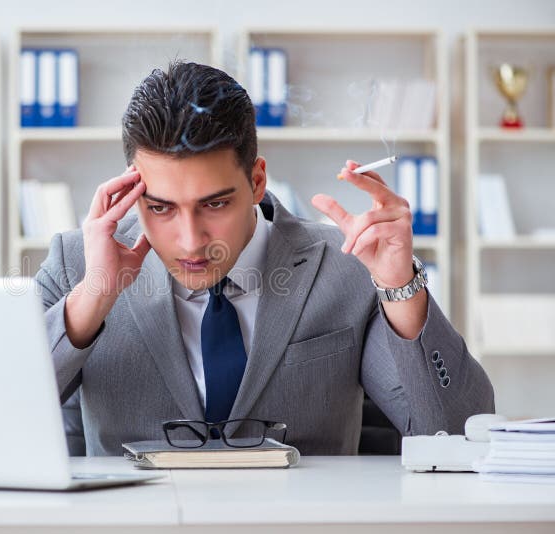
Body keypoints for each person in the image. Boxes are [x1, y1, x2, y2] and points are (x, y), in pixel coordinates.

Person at [34, 61, 494, 456]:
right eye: (160, 208)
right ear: (131, 193)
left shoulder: (349, 269)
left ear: (257, 181)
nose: (191, 241)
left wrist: (400, 287)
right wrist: (91, 300)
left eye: (214, 204)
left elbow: (459, 436)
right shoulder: (75, 266)